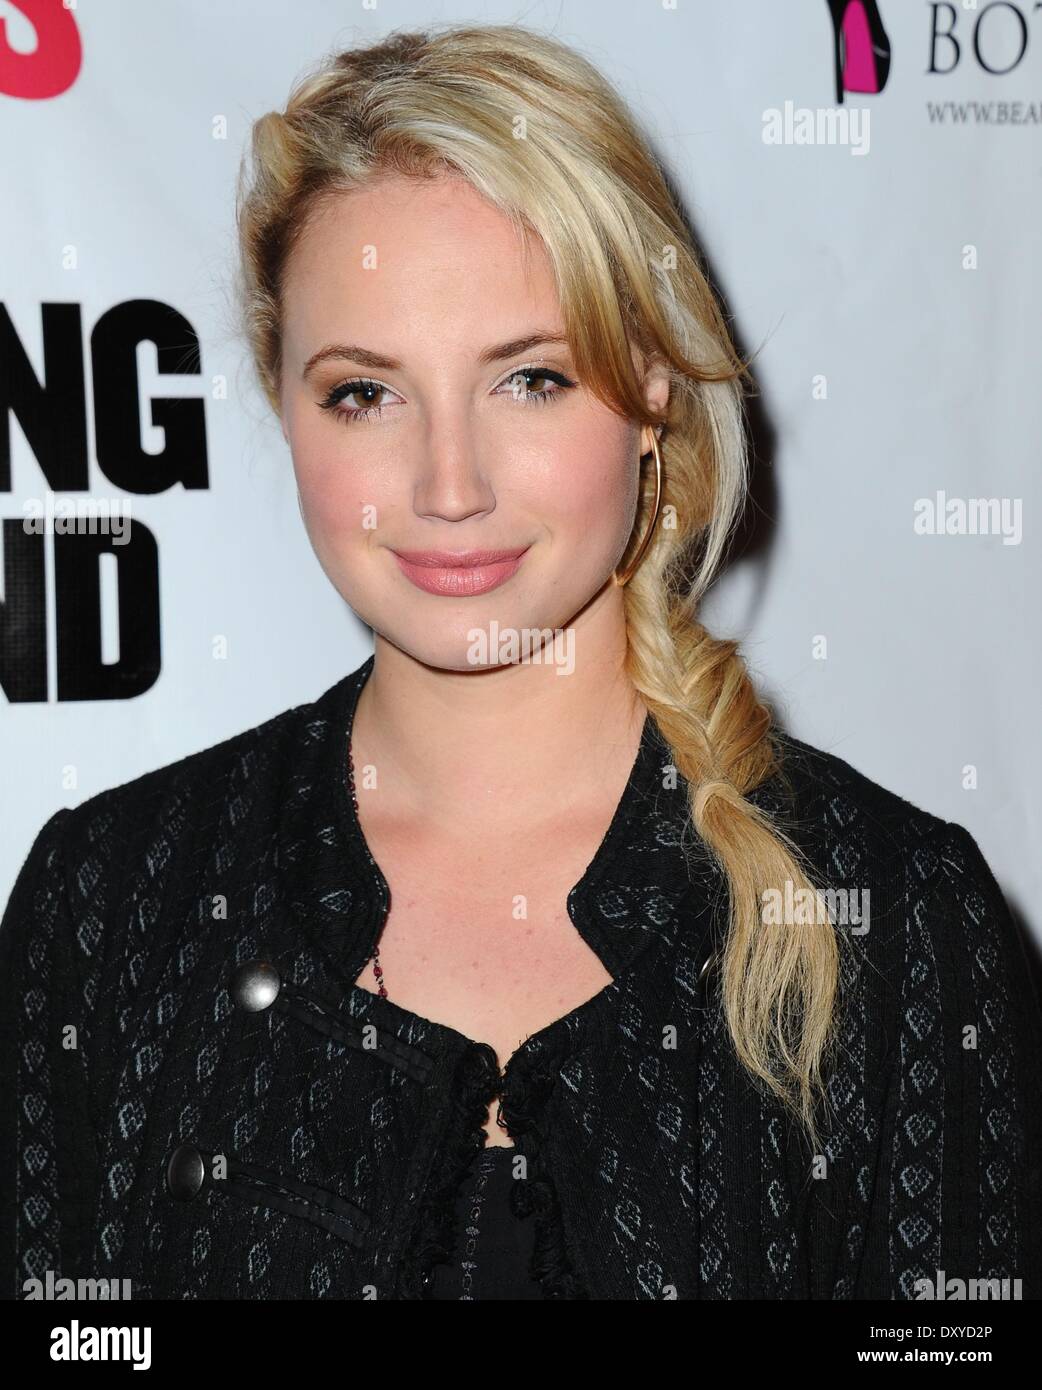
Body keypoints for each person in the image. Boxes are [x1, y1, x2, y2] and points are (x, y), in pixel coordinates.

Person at [2, 22, 1040, 1302]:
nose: (449, 485)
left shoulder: (898, 915)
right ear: (282, 402)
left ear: (651, 389)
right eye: (364, 393)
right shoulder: (112, 903)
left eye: (531, 379)